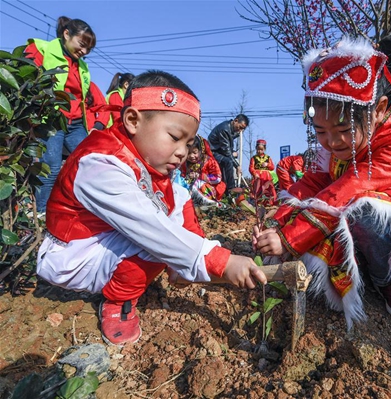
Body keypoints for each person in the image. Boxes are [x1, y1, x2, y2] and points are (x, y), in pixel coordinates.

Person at [36, 70, 267, 346]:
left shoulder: (148, 166)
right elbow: (150, 227)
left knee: (179, 197)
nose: (182, 152)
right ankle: (119, 301)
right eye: (174, 137)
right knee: (154, 244)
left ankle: (175, 266)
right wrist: (220, 261)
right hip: (75, 257)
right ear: (133, 120)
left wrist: (193, 256)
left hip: (105, 243)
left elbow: (177, 209)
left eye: (189, 144)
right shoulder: (99, 164)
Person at [253, 36, 391, 329]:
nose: (332, 141)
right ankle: (361, 264)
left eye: (343, 129)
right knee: (315, 205)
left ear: (378, 109)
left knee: (365, 211)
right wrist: (277, 220)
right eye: (321, 131)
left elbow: (345, 190)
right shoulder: (337, 143)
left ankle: (389, 279)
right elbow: (316, 181)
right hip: (345, 211)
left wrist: (290, 237)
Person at [24, 16, 97, 214]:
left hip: (75, 122)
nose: (84, 52)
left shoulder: (81, 66)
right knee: (52, 166)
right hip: (53, 120)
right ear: (66, 34)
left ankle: (78, 207)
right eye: (82, 45)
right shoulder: (42, 50)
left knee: (88, 161)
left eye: (88, 50)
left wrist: (89, 124)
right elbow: (26, 76)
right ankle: (39, 212)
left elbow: (84, 99)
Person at [207, 114, 249, 195]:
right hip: (213, 152)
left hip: (220, 149)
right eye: (240, 127)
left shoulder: (230, 128)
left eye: (242, 129)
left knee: (232, 157)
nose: (240, 131)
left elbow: (231, 138)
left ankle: (227, 189)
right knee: (228, 161)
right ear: (236, 121)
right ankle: (231, 188)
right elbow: (226, 150)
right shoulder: (224, 129)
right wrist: (237, 166)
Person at [181, 134, 226, 207]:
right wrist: (188, 176)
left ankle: (206, 201)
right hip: (191, 187)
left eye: (195, 152)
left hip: (208, 188)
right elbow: (182, 176)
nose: (192, 156)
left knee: (199, 183)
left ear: (201, 150)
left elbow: (217, 178)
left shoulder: (209, 161)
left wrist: (201, 177)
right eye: (188, 153)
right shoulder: (185, 164)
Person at [249, 139, 277, 206]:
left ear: (264, 149)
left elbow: (272, 167)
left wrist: (267, 165)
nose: (259, 151)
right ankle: (257, 203)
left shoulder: (268, 158)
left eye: (261, 150)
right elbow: (251, 168)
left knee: (268, 189)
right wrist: (254, 173)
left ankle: (270, 203)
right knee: (257, 189)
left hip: (266, 177)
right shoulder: (254, 158)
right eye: (258, 149)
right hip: (257, 176)